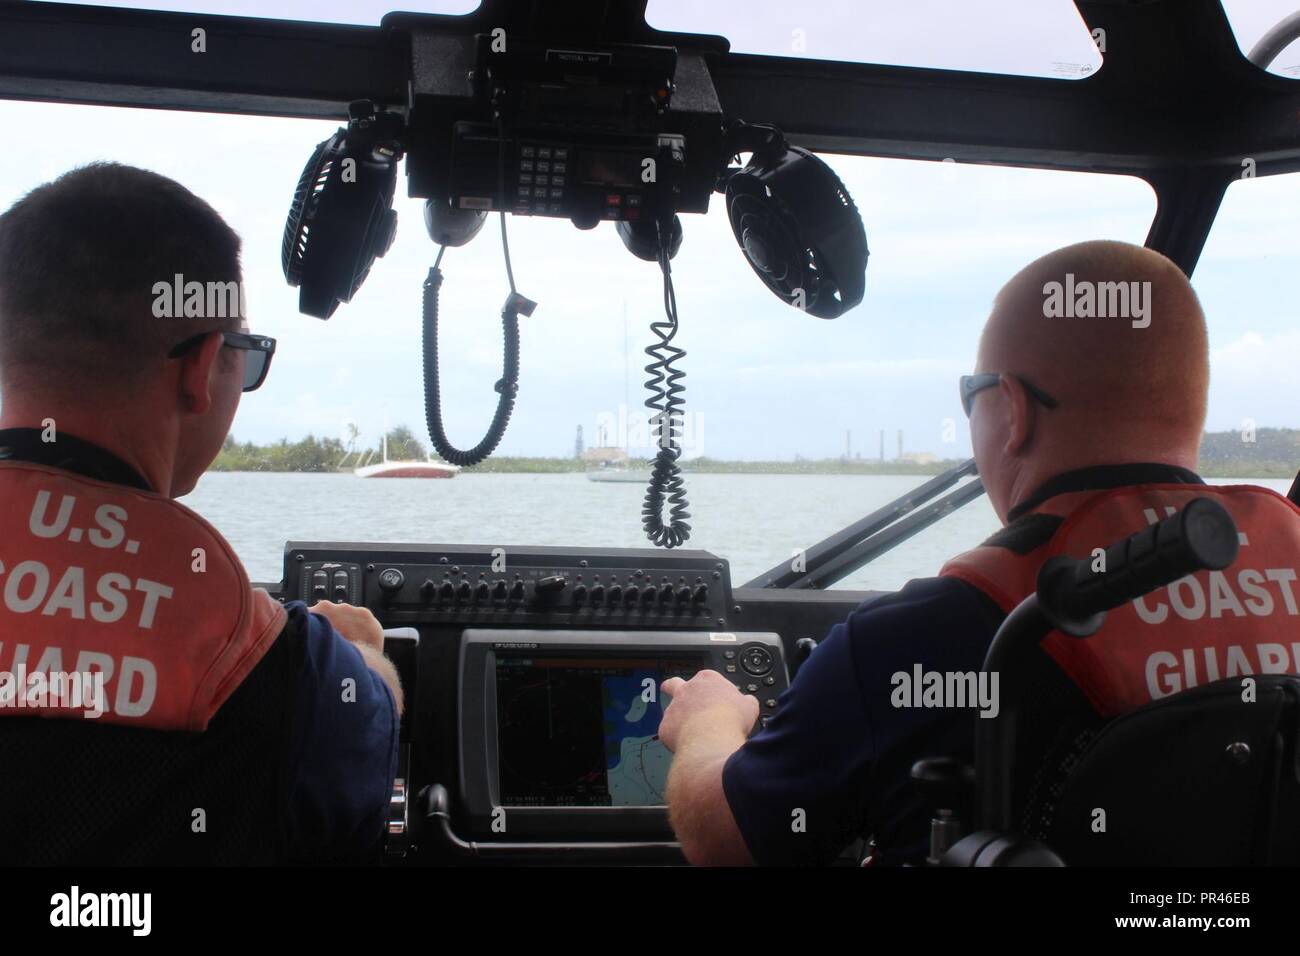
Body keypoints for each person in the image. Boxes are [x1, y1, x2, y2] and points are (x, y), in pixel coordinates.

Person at [658, 239, 1300, 865]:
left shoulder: (908, 645)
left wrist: (705, 724)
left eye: (973, 394)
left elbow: (722, 840)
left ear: (1013, 411)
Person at [0, 162, 402, 864]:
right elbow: (365, 740)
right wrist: (363, 652)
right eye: (242, 359)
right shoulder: (280, 665)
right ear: (200, 369)